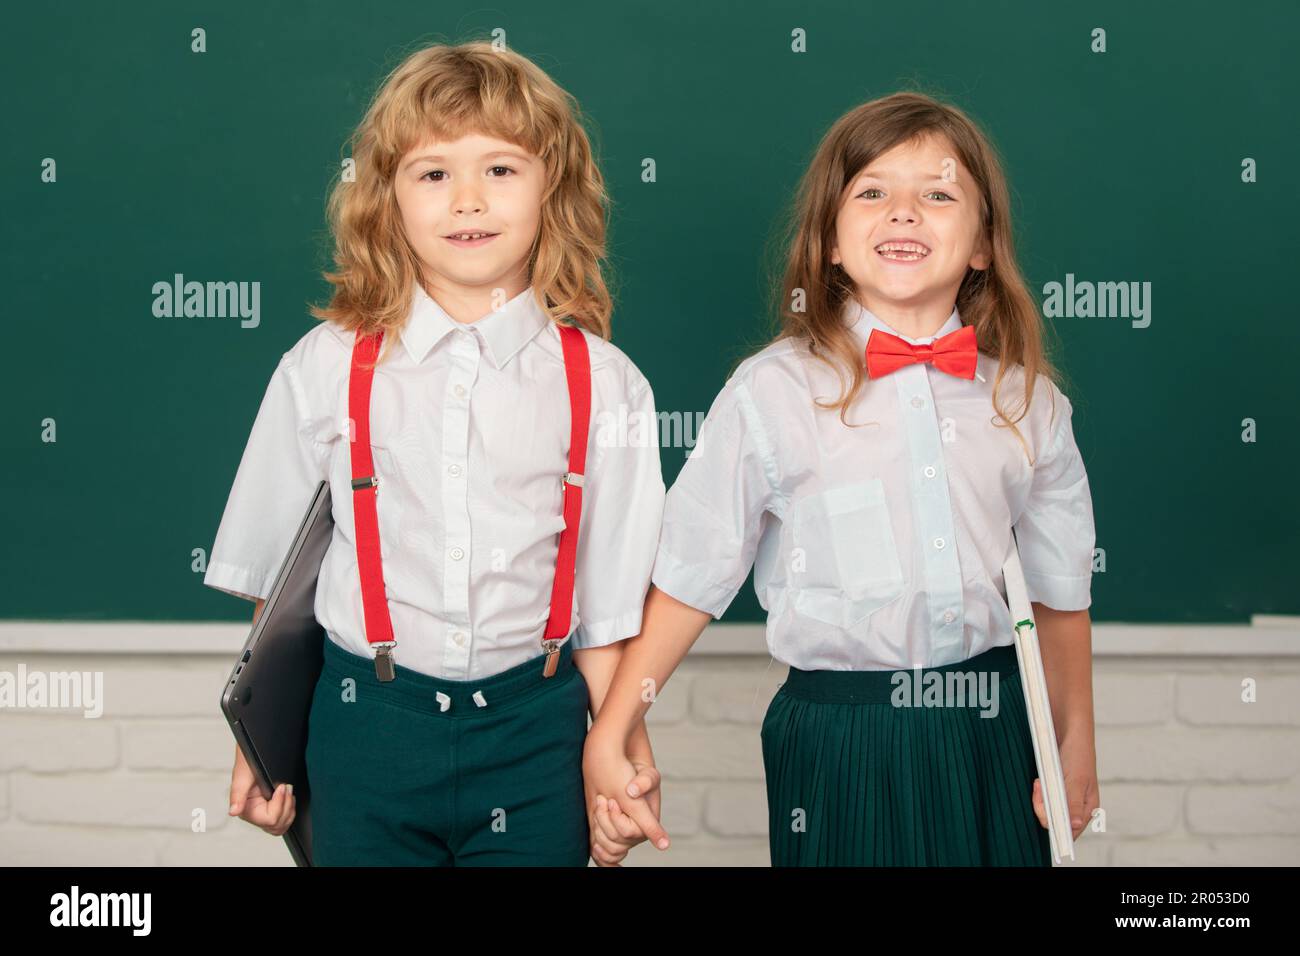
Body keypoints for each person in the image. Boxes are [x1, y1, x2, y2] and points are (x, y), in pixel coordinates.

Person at [583, 91, 1100, 866]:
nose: (903, 213)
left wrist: (1075, 740)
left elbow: (1060, 595)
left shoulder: (1028, 402)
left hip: (994, 724)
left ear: (984, 244)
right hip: (837, 732)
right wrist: (612, 729)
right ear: (828, 239)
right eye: (872, 192)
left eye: (937, 194)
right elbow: (693, 575)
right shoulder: (770, 392)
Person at [207, 40, 664, 866]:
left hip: (539, 734)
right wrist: (259, 738)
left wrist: (619, 745)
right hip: (365, 729)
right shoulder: (322, 367)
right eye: (432, 174)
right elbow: (276, 593)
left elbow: (606, 607)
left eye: (500, 169)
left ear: (551, 189)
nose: (467, 200)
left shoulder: (607, 385)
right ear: (386, 200)